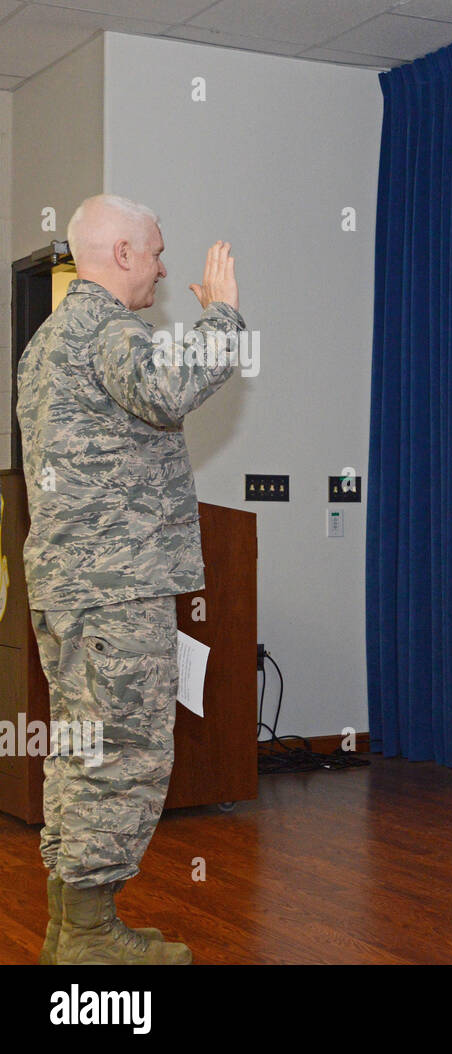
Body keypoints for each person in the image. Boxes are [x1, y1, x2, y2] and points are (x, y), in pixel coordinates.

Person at [17, 194, 244, 963]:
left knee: (83, 752)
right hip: (115, 587)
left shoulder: (45, 341)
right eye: (154, 251)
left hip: (69, 586)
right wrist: (223, 321)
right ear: (119, 254)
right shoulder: (109, 329)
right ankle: (86, 934)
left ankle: (72, 926)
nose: (163, 266)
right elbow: (168, 389)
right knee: (125, 755)